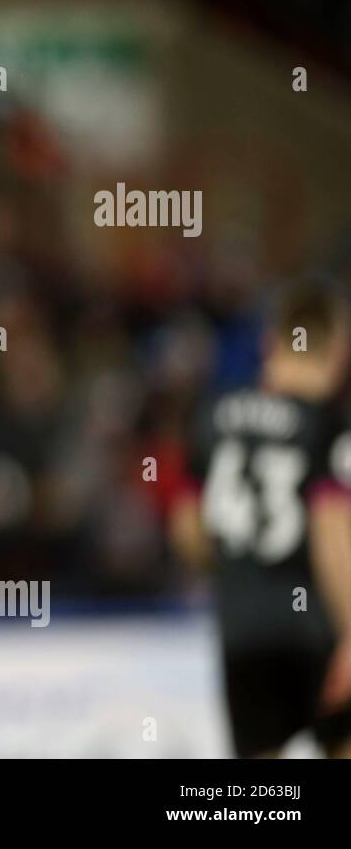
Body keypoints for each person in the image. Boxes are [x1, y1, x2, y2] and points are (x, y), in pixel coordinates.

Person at [170, 278, 351, 758]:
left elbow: (187, 528)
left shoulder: (214, 416)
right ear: (337, 351)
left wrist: (236, 568)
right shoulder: (329, 426)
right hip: (316, 627)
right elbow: (332, 530)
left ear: (271, 344)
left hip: (243, 632)